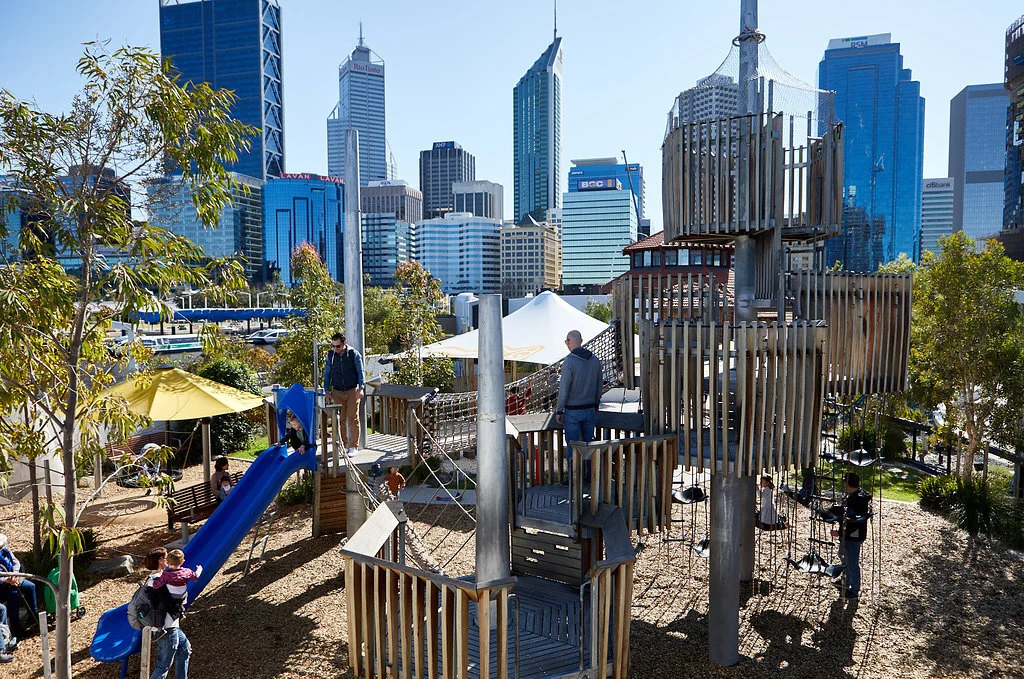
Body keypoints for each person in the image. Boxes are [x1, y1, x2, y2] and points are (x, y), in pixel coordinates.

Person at [554, 330, 603, 486]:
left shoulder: (569, 362)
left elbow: (564, 389)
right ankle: (591, 478)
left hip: (573, 411)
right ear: (581, 341)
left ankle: (574, 480)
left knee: (573, 446)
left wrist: (559, 410)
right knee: (589, 444)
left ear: (569, 341)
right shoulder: (595, 360)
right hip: (590, 409)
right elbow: (599, 385)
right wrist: (596, 404)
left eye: (566, 341)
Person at [148, 548, 202, 679]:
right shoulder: (158, 579)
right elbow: (169, 604)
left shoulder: (162, 577)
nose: (167, 560)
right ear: (161, 561)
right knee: (163, 666)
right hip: (167, 628)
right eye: (165, 557)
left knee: (185, 650)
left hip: (172, 625)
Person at [322, 332, 365, 455]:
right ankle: (343, 445)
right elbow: (327, 374)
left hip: (352, 390)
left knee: (353, 418)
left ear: (344, 343)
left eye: (338, 346)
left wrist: (361, 388)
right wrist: (327, 391)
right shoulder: (331, 355)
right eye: (333, 346)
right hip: (337, 391)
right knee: (340, 419)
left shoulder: (353, 354)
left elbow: (360, 371)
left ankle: (354, 446)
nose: (335, 349)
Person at [831, 472, 871, 600]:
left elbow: (853, 522)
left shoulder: (857, 500)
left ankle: (854, 590)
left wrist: (840, 533)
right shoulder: (854, 495)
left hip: (853, 536)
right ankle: (846, 581)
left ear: (847, 484)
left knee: (852, 562)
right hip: (848, 534)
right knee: (843, 555)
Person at [0, 534, 37, 639]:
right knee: (14, 595)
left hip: (13, 578)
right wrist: (6, 580)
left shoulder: (6, 551)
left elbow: (16, 562)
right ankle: (17, 629)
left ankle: (33, 615)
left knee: (30, 586)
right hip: (2, 585)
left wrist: (15, 574)